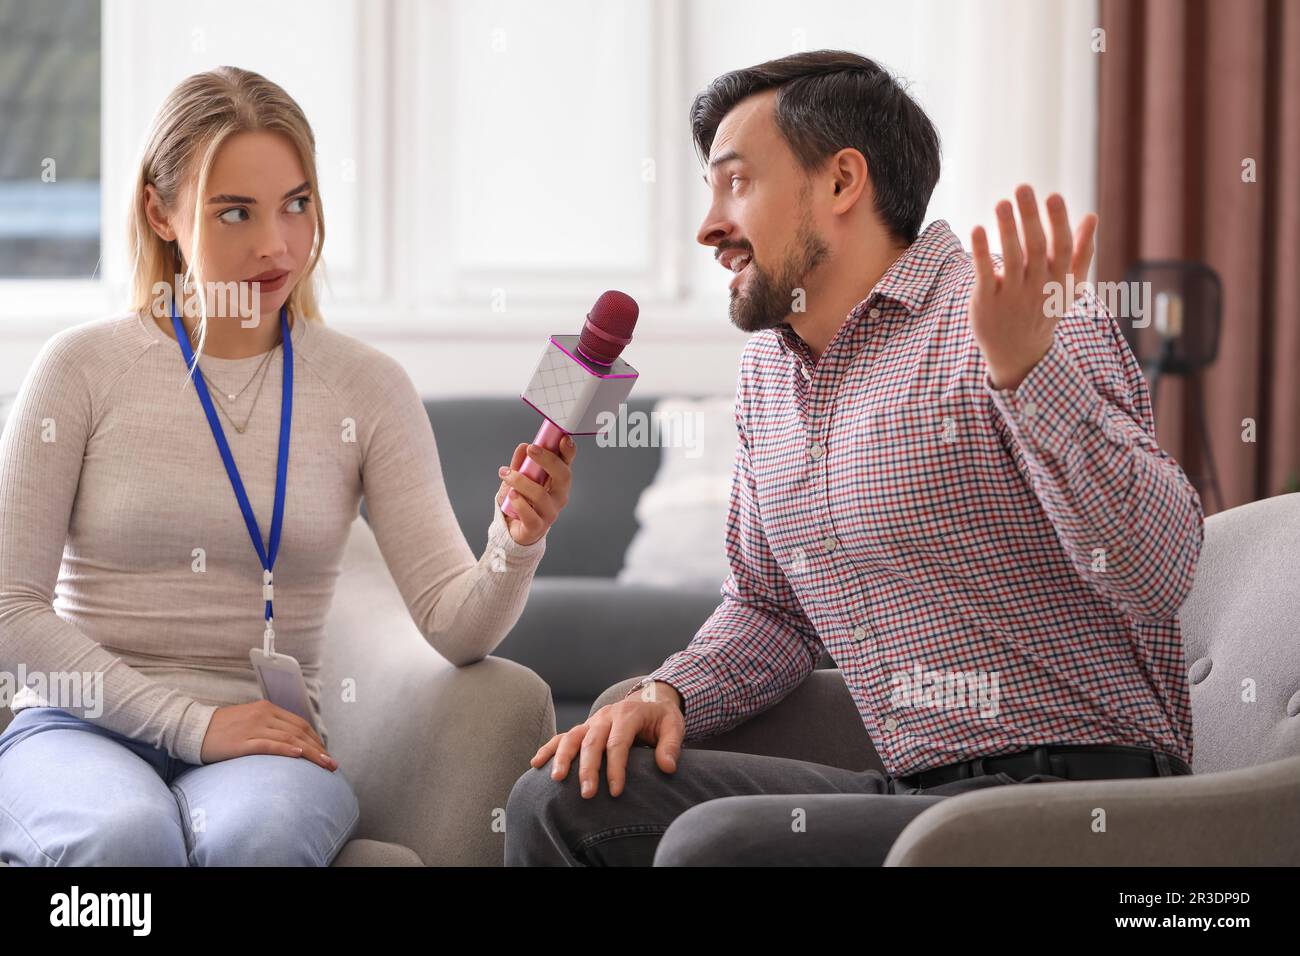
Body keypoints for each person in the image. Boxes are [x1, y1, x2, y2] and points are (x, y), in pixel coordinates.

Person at [505, 50, 1203, 866]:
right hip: (911, 797)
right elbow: (768, 608)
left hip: (1079, 801)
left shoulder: (1013, 317)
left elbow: (1160, 572)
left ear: (841, 182)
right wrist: (671, 690)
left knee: (717, 847)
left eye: (737, 183)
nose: (709, 228)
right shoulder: (768, 376)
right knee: (560, 800)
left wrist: (1029, 373)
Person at [0, 66, 575, 866]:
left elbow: (456, 626)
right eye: (235, 212)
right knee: (124, 836)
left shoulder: (366, 387)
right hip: (80, 726)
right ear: (160, 212)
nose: (276, 244)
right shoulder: (81, 368)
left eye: (296, 204)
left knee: (259, 839)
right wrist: (195, 725)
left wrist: (516, 541)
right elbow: (10, 608)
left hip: (268, 739)